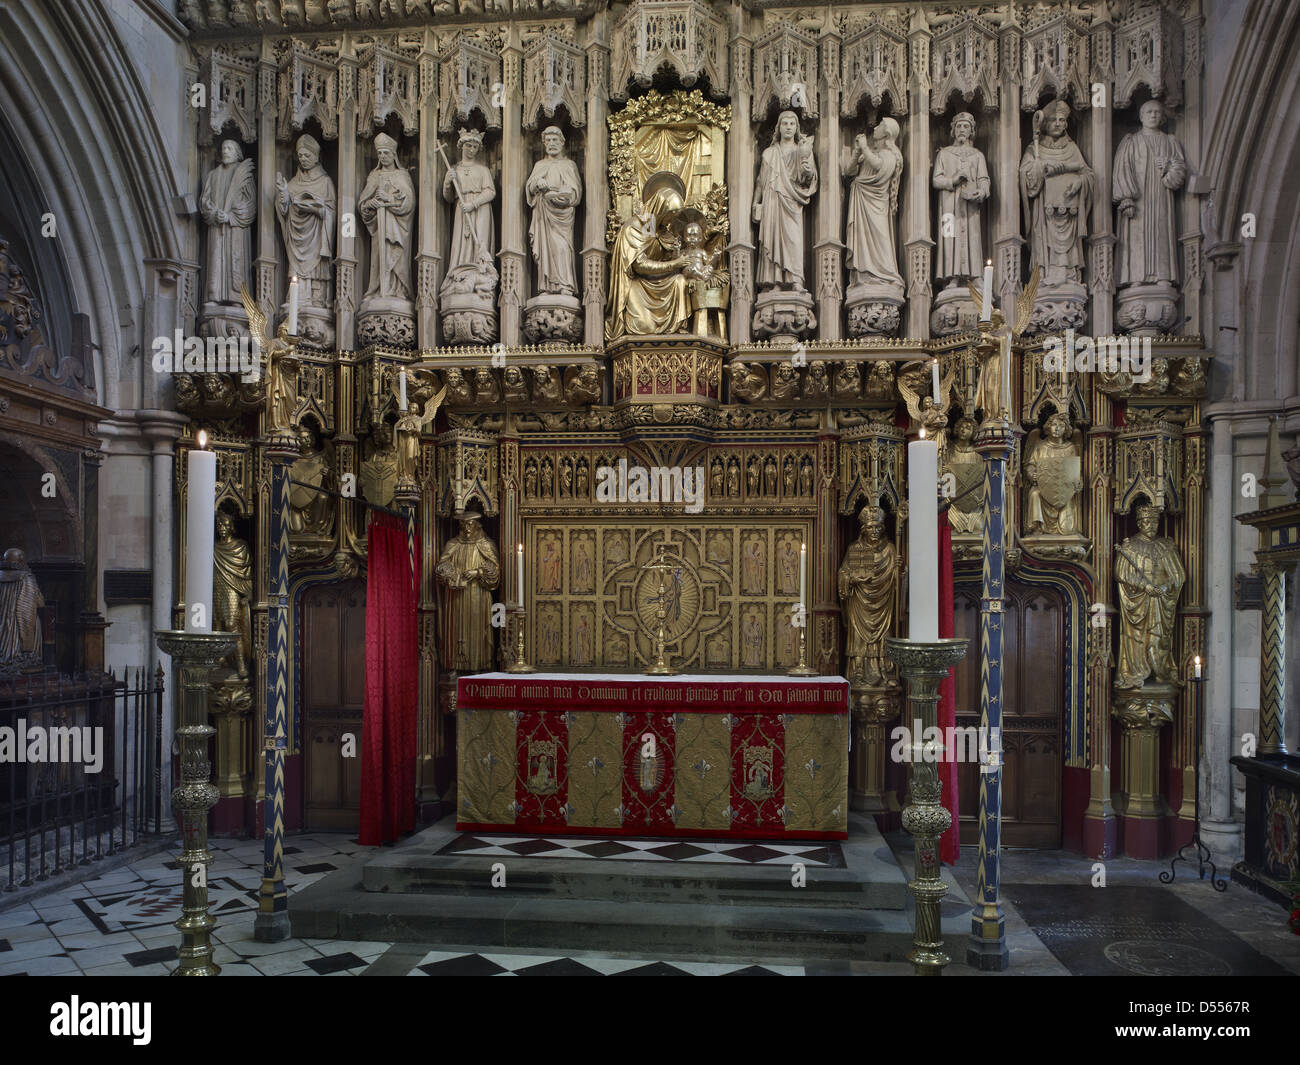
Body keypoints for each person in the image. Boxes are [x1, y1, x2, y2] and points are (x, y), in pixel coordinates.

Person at [605, 171, 693, 340]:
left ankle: (679, 329)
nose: (672, 219)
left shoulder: (664, 231)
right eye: (671, 214)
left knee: (680, 281)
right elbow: (640, 265)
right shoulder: (635, 227)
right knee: (644, 326)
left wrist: (676, 253)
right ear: (661, 209)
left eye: (676, 215)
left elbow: (670, 260)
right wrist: (675, 263)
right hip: (638, 284)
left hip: (661, 281)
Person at [1019, 99, 1094, 286]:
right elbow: (1025, 174)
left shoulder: (1071, 148)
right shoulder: (1034, 148)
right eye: (1053, 120)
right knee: (1046, 242)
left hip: (1070, 211)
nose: (1058, 124)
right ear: (1045, 123)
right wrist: (1038, 167)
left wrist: (1079, 182)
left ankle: (1068, 274)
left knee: (1067, 248)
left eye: (1061, 120)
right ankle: (1045, 275)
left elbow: (1088, 174)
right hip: (1044, 214)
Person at [1113, 100, 1187, 288]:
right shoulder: (1131, 141)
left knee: (1161, 233)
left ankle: (1163, 276)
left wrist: (1169, 167)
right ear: (1141, 116)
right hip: (1138, 201)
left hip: (1161, 199)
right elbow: (1122, 169)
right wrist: (1126, 197)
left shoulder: (1169, 141)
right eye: (1149, 112)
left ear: (1162, 117)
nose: (1153, 115)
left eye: (1157, 112)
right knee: (1137, 236)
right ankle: (1135, 277)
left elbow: (1180, 171)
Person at [1115, 503, 1185, 690]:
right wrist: (1144, 585)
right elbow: (1121, 573)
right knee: (1137, 638)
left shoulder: (1166, 546)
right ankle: (1136, 673)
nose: (1151, 525)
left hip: (1160, 602)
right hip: (1139, 602)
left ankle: (1160, 672)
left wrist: (1163, 586)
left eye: (1154, 521)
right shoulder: (1129, 546)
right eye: (1146, 521)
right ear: (1139, 523)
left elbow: (1178, 575)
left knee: (1158, 639)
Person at [753, 110, 817, 292]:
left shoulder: (803, 150)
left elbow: (808, 180)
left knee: (794, 241)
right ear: (778, 128)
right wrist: (755, 203)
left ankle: (796, 280)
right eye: (785, 123)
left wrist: (808, 172)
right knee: (772, 240)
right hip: (772, 201)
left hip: (793, 201)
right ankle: (776, 282)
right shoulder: (769, 153)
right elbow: (760, 181)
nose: (788, 127)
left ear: (797, 128)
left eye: (792, 124)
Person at [434, 508, 501, 672]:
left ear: (478, 525)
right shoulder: (453, 544)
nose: (467, 529)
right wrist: (452, 574)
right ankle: (453, 666)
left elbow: (495, 571)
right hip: (456, 597)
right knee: (455, 629)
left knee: (478, 630)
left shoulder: (486, 545)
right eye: (463, 525)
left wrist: (477, 572)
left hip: (478, 595)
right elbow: (440, 567)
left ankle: (478, 665)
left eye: (470, 524)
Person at [837, 508, 898, 685]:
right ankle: (858, 673)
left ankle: (886, 672)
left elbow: (898, 581)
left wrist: (899, 571)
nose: (875, 531)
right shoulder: (854, 548)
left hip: (883, 602)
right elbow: (843, 573)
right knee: (858, 636)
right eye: (871, 527)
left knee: (884, 634)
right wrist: (853, 579)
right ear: (863, 528)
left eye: (878, 527)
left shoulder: (890, 549)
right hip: (859, 602)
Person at [843, 118, 904, 289]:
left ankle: (885, 274)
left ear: (887, 133)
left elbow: (880, 166)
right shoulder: (870, 154)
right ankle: (864, 276)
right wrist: (856, 151)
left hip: (876, 205)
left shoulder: (891, 155)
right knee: (863, 240)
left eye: (880, 126)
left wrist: (864, 147)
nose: (875, 128)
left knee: (879, 239)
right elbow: (849, 171)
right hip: (861, 202)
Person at [932, 113, 989, 288]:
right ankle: (952, 277)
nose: (962, 130)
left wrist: (982, 191)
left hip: (970, 206)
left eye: (965, 126)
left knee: (972, 236)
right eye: (958, 126)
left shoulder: (977, 155)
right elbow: (936, 180)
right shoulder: (944, 153)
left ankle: (975, 275)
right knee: (948, 236)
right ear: (953, 130)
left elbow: (983, 179)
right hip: (948, 207)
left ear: (971, 130)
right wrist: (953, 180)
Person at [358, 132, 415, 302]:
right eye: (380, 153)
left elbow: (409, 202)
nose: (383, 156)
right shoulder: (374, 176)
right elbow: (363, 204)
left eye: (386, 153)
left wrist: (390, 199)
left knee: (397, 258)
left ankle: (398, 290)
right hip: (380, 229)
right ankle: (378, 289)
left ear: (394, 154)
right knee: (379, 258)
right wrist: (371, 204)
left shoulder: (402, 175)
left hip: (398, 227)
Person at [526, 126, 583, 295]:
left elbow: (576, 191)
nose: (551, 144)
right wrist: (537, 183)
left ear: (562, 142)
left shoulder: (569, 165)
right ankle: (547, 286)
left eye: (555, 140)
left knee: (562, 248)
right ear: (544, 144)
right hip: (544, 214)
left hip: (563, 215)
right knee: (545, 250)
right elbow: (529, 188)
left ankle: (565, 285)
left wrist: (566, 194)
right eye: (548, 140)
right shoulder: (540, 165)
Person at [441, 128, 497, 297]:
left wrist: (473, 204)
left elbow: (490, 192)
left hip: (480, 209)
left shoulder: (483, 170)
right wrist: (447, 182)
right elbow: (449, 198)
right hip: (461, 209)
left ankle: (480, 275)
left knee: (479, 241)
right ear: (461, 147)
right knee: (460, 243)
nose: (472, 150)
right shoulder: (454, 169)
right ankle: (459, 276)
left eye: (474, 147)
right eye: (469, 146)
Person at [199, 140, 255, 308]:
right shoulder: (213, 175)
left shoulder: (243, 174)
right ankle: (214, 295)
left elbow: (250, 203)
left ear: (237, 152)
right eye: (223, 148)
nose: (225, 151)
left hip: (235, 228)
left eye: (230, 148)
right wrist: (214, 213)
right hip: (216, 227)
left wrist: (230, 216)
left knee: (235, 260)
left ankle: (236, 298)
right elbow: (204, 200)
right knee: (216, 259)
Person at [212, 513, 252, 678]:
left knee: (231, 625)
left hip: (232, 589)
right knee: (217, 625)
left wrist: (248, 593)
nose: (222, 528)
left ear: (232, 527)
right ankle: (219, 659)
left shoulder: (240, 546)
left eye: (225, 525)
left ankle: (241, 663)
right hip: (216, 587)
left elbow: (246, 571)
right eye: (219, 525)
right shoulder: (213, 547)